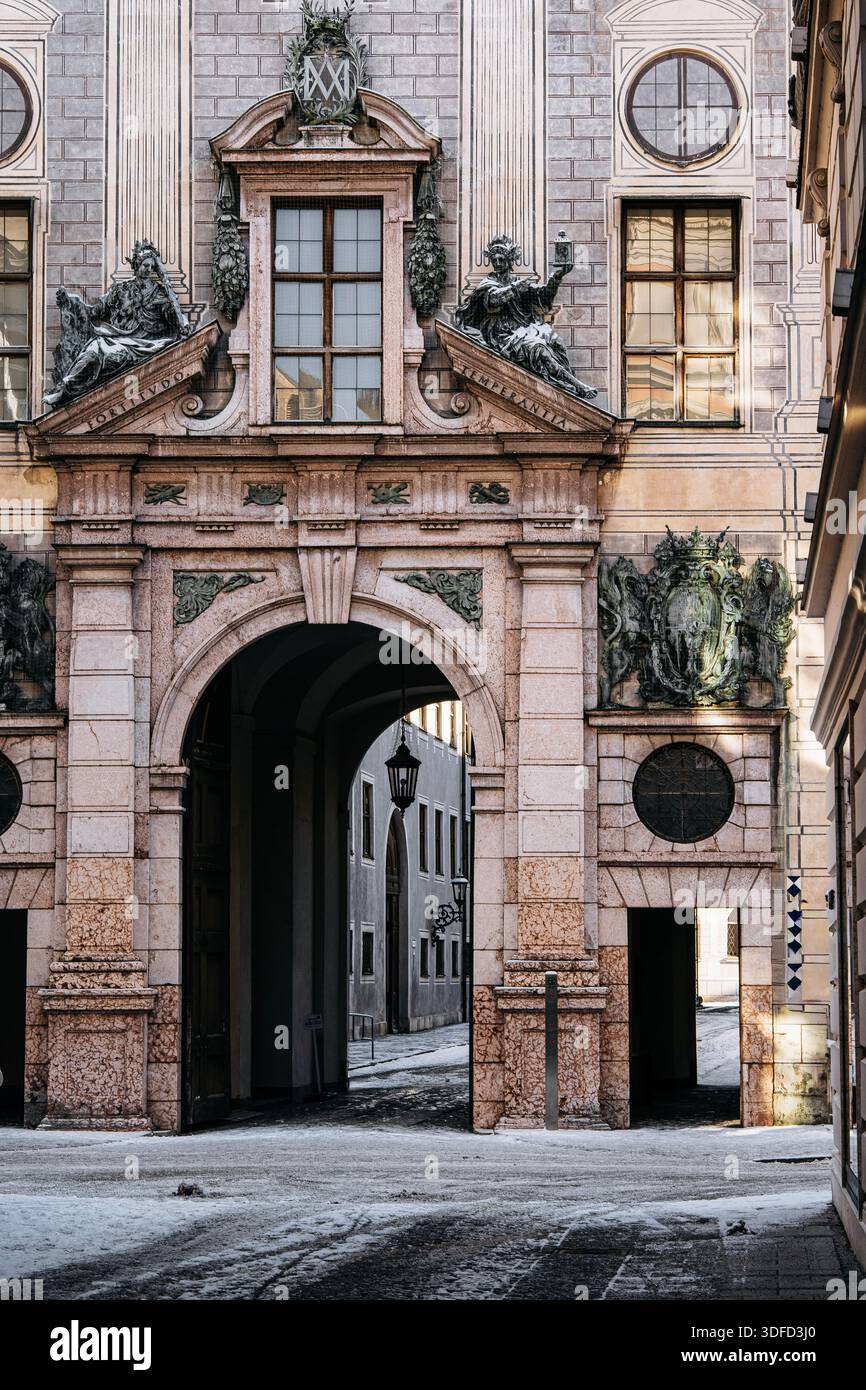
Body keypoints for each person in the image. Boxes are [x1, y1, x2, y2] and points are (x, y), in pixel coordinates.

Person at [44, 240, 190, 409]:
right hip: (116, 340)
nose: (148, 269)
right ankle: (64, 389)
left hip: (145, 345)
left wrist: (183, 322)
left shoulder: (160, 293)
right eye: (145, 265)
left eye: (152, 266)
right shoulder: (121, 289)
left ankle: (66, 390)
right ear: (136, 264)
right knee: (93, 350)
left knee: (106, 351)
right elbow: (95, 312)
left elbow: (174, 317)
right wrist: (71, 303)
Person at [453, 234, 597, 400]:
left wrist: (556, 277)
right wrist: (515, 288)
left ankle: (565, 384)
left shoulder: (518, 282)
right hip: (503, 336)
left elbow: (543, 297)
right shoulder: (488, 284)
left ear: (509, 260)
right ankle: (577, 386)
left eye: (502, 259)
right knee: (538, 348)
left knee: (555, 341)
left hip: (525, 329)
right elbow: (493, 299)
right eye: (495, 260)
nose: (498, 263)